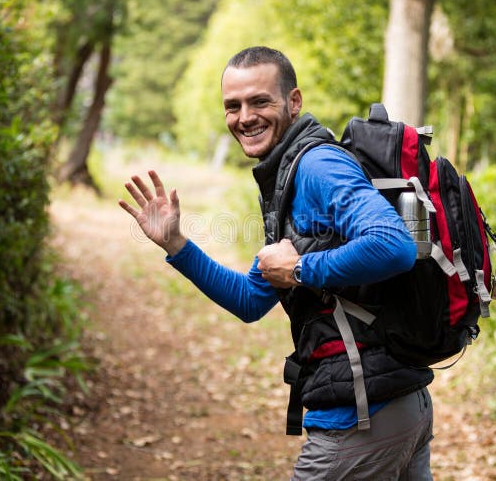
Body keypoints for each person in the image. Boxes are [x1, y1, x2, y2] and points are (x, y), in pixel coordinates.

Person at [119, 46, 434, 479]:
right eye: (233, 106)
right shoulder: (287, 174)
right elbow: (251, 298)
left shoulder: (317, 166)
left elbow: (394, 245)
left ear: (294, 102)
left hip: (361, 414)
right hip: (394, 402)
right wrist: (176, 244)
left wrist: (301, 269)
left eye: (259, 101)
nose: (244, 117)